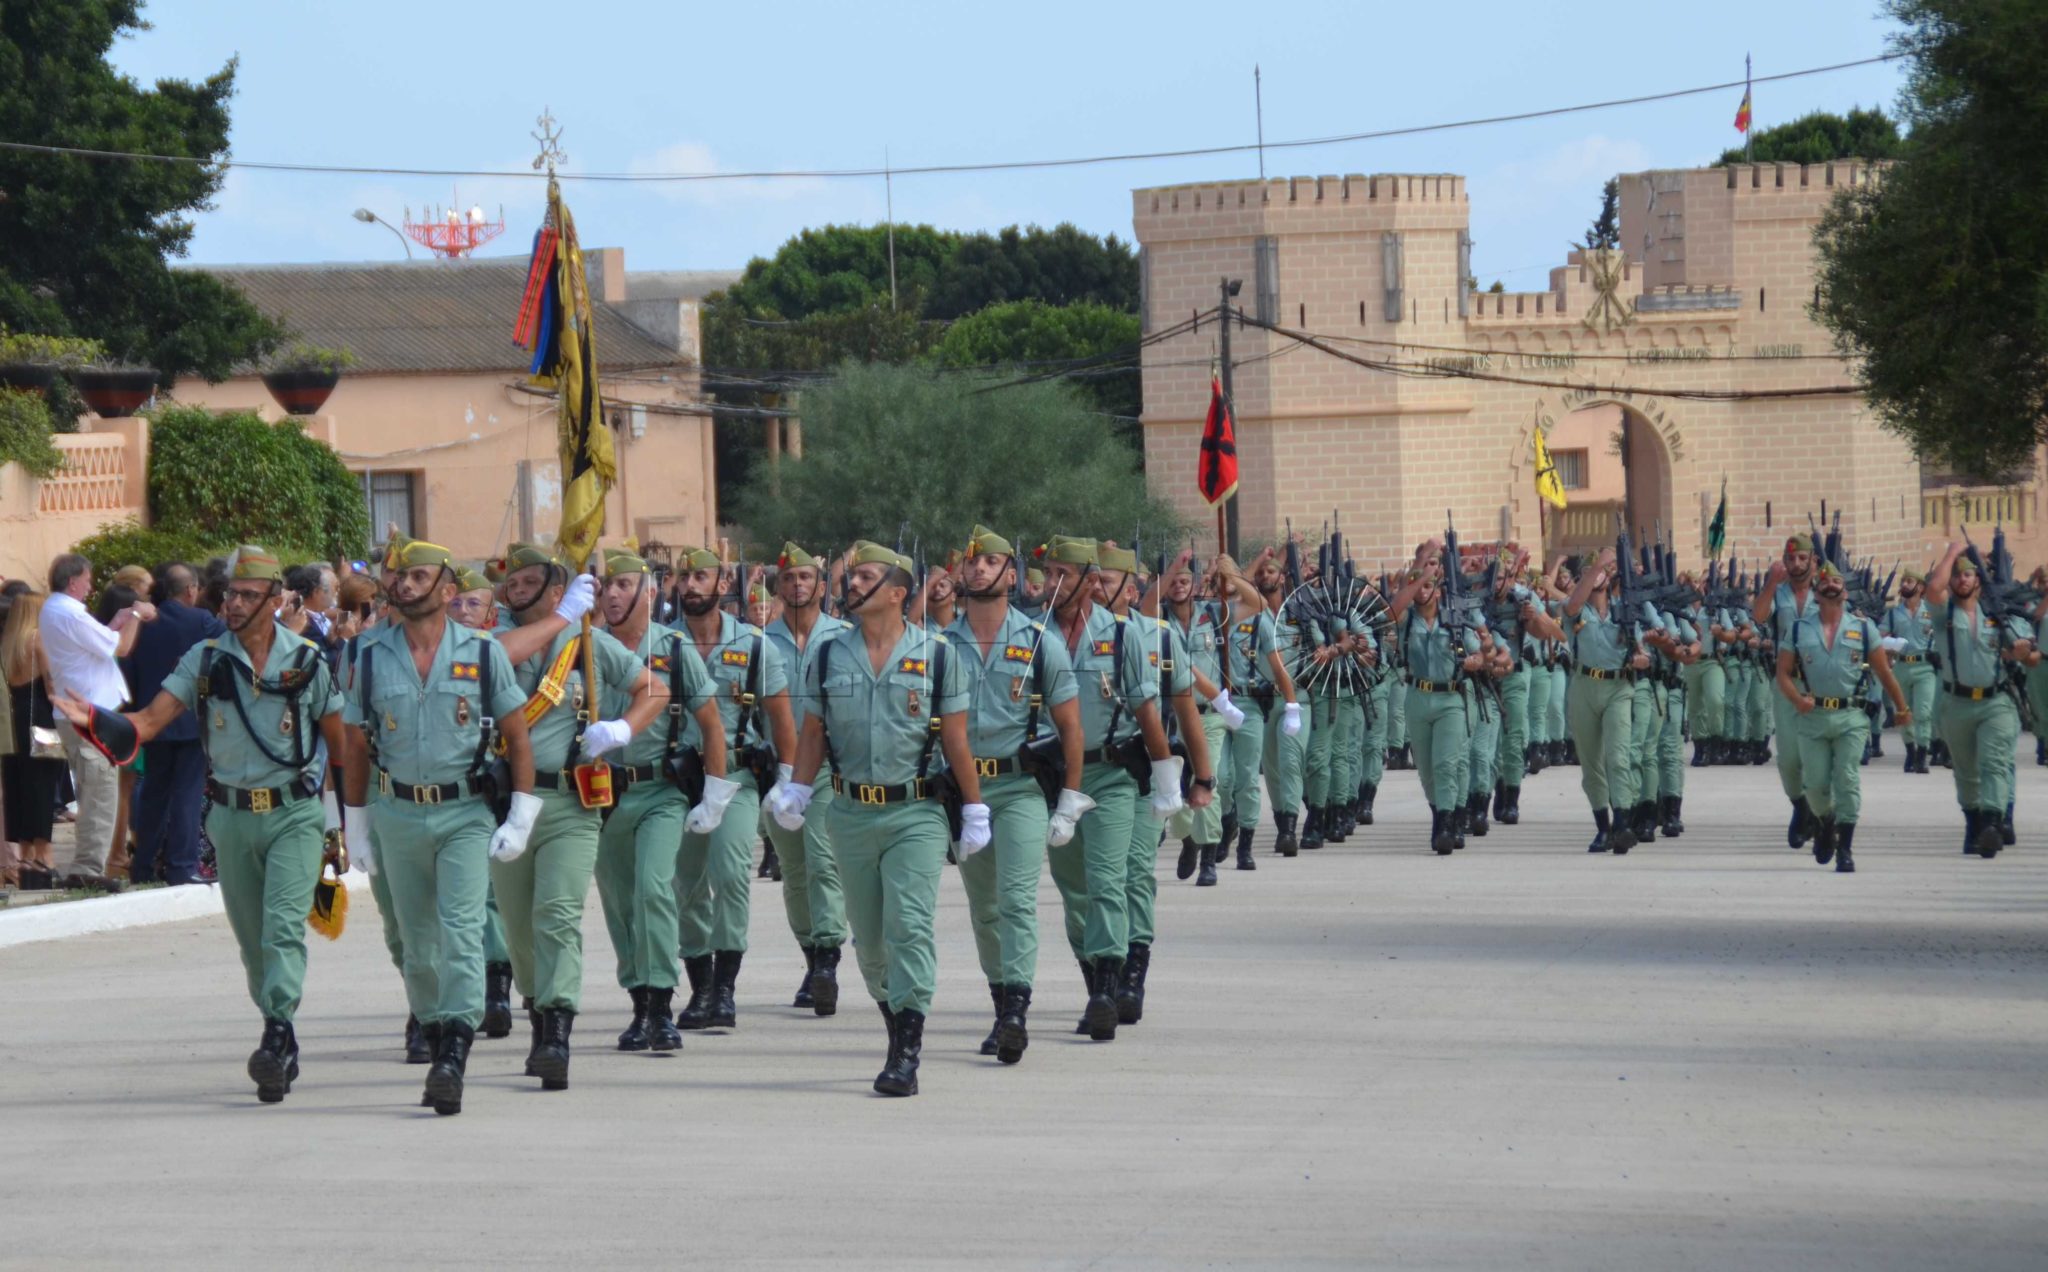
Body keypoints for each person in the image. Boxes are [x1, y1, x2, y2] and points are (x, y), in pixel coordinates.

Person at [53, 547, 347, 1103]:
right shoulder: (206, 659)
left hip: (293, 814)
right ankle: (279, 1034)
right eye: (228, 594)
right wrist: (93, 719)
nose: (231, 604)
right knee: (252, 940)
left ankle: (277, 1032)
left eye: (244, 595)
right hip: (231, 817)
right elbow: (146, 722)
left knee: (282, 927)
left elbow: (339, 743)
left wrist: (344, 825)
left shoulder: (308, 661)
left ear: (273, 598)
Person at [771, 541, 990, 1096]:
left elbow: (957, 741)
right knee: (869, 941)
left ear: (896, 592)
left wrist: (974, 807)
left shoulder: (939, 655)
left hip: (914, 813)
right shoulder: (828, 656)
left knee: (909, 927)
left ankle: (907, 1049)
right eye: (851, 575)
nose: (851, 584)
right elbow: (814, 733)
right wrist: (798, 788)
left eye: (865, 576)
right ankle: (894, 1022)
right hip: (847, 812)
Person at [341, 538, 536, 1116]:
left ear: (447, 590)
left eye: (418, 575)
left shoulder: (482, 652)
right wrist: (354, 824)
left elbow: (517, 735)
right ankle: (432, 1027)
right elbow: (354, 742)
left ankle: (453, 1049)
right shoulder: (368, 655)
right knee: (414, 943)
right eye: (399, 575)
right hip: (397, 813)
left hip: (464, 812)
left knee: (461, 929)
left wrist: (521, 813)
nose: (402, 582)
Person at [493, 542, 668, 1091]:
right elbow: (499, 654)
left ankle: (556, 1036)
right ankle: (538, 1010)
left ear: (553, 586)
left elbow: (653, 689)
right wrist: (563, 616)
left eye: (529, 582)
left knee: (558, 916)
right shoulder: (487, 639)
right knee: (518, 929)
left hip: (570, 802)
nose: (517, 590)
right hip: (507, 805)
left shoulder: (586, 644)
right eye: (512, 583)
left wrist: (621, 730)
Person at [945, 526, 1085, 1060]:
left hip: (1020, 787)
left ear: (1012, 575)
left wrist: (1068, 799)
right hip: (963, 792)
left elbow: (1071, 727)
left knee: (1017, 900)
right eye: (972, 562)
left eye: (992, 563)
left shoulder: (1038, 642)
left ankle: (1017, 1012)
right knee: (984, 906)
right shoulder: (940, 644)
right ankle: (1000, 999)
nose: (979, 570)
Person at [592, 546, 730, 1051]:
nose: (612, 593)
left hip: (661, 792)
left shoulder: (673, 650)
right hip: (603, 794)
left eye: (624, 585)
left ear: (649, 593)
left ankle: (660, 1003)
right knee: (619, 902)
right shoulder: (586, 651)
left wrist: (714, 793)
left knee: (654, 889)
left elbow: (712, 724)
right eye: (607, 585)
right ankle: (638, 1002)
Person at [671, 546, 795, 1032]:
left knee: (730, 875)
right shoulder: (664, 643)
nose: (689, 585)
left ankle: (724, 987)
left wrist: (787, 781)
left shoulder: (756, 645)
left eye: (700, 576)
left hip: (738, 779)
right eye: (683, 577)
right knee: (687, 885)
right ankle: (699, 985)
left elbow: (781, 718)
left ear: (723, 585)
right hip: (680, 780)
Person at [760, 542, 851, 1013]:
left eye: (805, 577)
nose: (797, 584)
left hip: (826, 772)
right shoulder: (759, 641)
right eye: (789, 578)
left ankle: (828, 962)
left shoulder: (844, 638)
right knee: (793, 871)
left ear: (822, 586)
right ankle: (811, 955)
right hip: (778, 771)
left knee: (822, 860)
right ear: (778, 586)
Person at [1776, 561, 1911, 874]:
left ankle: (1846, 848)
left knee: (1847, 779)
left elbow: (1884, 672)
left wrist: (1901, 708)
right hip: (1814, 716)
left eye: (1836, 581)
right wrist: (1797, 699)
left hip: (1851, 715)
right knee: (1816, 785)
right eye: (1824, 582)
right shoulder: (1799, 629)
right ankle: (1825, 821)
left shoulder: (1862, 629)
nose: (1830, 585)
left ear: (1845, 591)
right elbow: (1782, 673)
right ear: (1816, 592)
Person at [40, 553, 154, 887]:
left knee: (95, 793)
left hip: (81, 713)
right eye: (87, 580)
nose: (91, 587)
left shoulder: (58, 609)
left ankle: (87, 866)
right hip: (87, 715)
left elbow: (98, 642)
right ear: (73, 581)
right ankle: (88, 869)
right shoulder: (70, 613)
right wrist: (135, 612)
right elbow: (121, 648)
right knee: (100, 794)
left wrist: (118, 619)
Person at [1922, 544, 2040, 859]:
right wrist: (1952, 552)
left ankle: (1992, 821)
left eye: (1968, 574)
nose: (1962, 580)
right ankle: (1974, 822)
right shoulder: (1943, 615)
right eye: (1957, 575)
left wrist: (2020, 651)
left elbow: (2027, 653)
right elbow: (1933, 588)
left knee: (1995, 763)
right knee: (1966, 770)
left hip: (1995, 701)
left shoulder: (1997, 615)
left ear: (1979, 580)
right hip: (1956, 702)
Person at [122, 563, 225, 885]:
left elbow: (128, 667)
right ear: (191, 589)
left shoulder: (144, 621)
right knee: (187, 795)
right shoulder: (201, 621)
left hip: (149, 717)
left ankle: (143, 865)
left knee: (153, 793)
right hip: (189, 718)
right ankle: (181, 865)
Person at [1560, 548, 1647, 854]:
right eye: (1591, 572)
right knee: (1591, 763)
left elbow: (1641, 648)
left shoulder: (1625, 609)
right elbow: (1571, 605)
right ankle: (1603, 827)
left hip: (1618, 687)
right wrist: (1597, 563)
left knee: (1618, 756)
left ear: (1611, 578)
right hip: (1584, 686)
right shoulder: (1576, 609)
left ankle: (1623, 822)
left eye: (1604, 572)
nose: (1597, 575)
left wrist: (1641, 658)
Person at [1754, 536, 1821, 848]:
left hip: (1820, 682)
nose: (1796, 565)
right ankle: (1800, 806)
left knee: (1817, 756)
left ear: (1813, 562)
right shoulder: (1778, 592)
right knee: (1788, 758)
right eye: (1791, 559)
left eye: (1802, 559)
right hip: (1785, 682)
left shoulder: (1825, 592)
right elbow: (1758, 615)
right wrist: (1771, 582)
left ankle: (1820, 816)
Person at [2, 592, 63, 885]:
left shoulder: (8, 643)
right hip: (40, 719)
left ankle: (24, 854)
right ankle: (44, 855)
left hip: (12, 720)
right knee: (42, 784)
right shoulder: (39, 638)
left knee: (19, 787)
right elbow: (52, 685)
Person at [1881, 569, 1938, 774]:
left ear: (1920, 587)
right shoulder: (1893, 613)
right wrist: (1890, 645)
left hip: (1925, 667)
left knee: (1924, 712)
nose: (1904, 584)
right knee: (1902, 711)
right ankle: (1910, 751)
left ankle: (1922, 754)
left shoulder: (1930, 611)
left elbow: (1942, 634)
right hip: (1902, 666)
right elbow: (1881, 636)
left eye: (1909, 581)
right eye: (1903, 581)